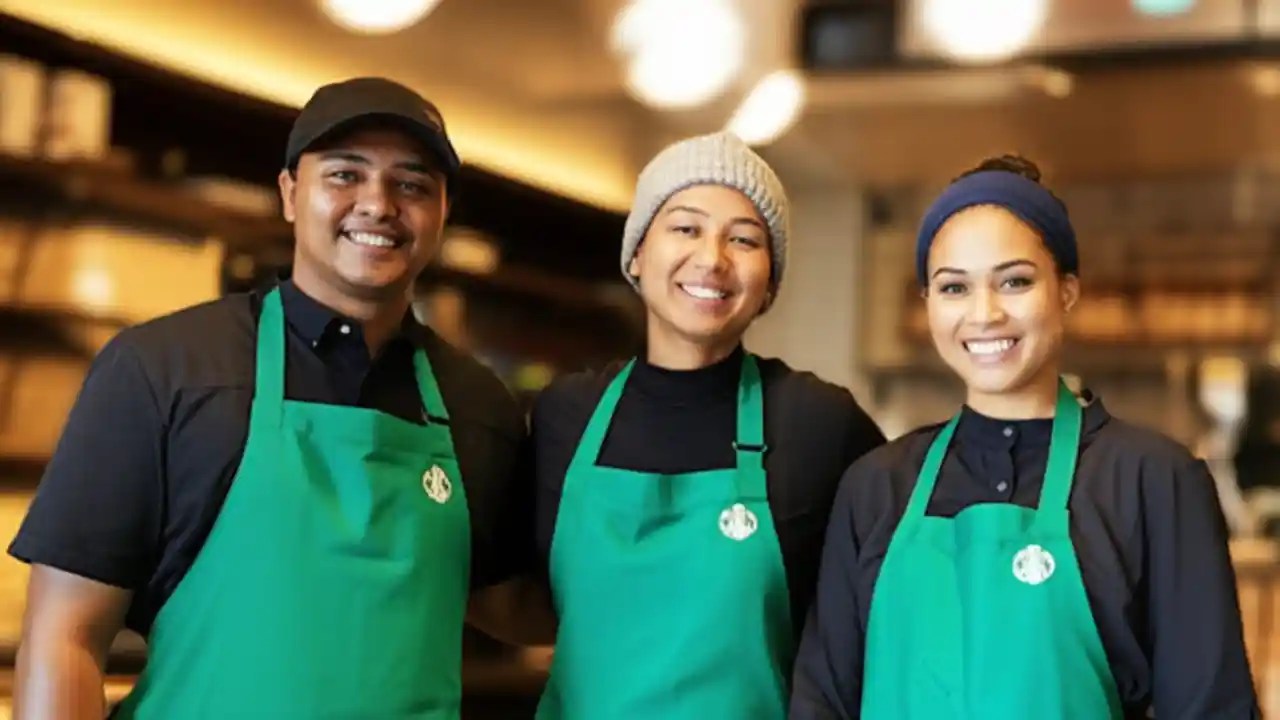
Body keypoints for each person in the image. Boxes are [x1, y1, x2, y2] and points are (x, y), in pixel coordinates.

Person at [9, 77, 531, 719]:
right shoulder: (165, 368)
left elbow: (512, 607)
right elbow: (67, 635)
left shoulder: (481, 408)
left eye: (412, 185)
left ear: (443, 212)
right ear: (290, 194)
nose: (379, 204)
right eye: (345, 175)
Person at [790, 154, 1260, 719]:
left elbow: (1212, 709)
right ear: (929, 305)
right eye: (954, 288)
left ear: (1065, 290)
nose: (984, 314)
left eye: (1013, 281)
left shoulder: (1153, 479)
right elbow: (822, 704)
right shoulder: (875, 487)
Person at [531, 131, 886, 719]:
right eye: (686, 228)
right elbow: (514, 595)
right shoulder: (565, 414)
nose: (713, 258)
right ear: (638, 255)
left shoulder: (816, 422)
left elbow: (892, 601)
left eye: (744, 239)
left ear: (769, 284)